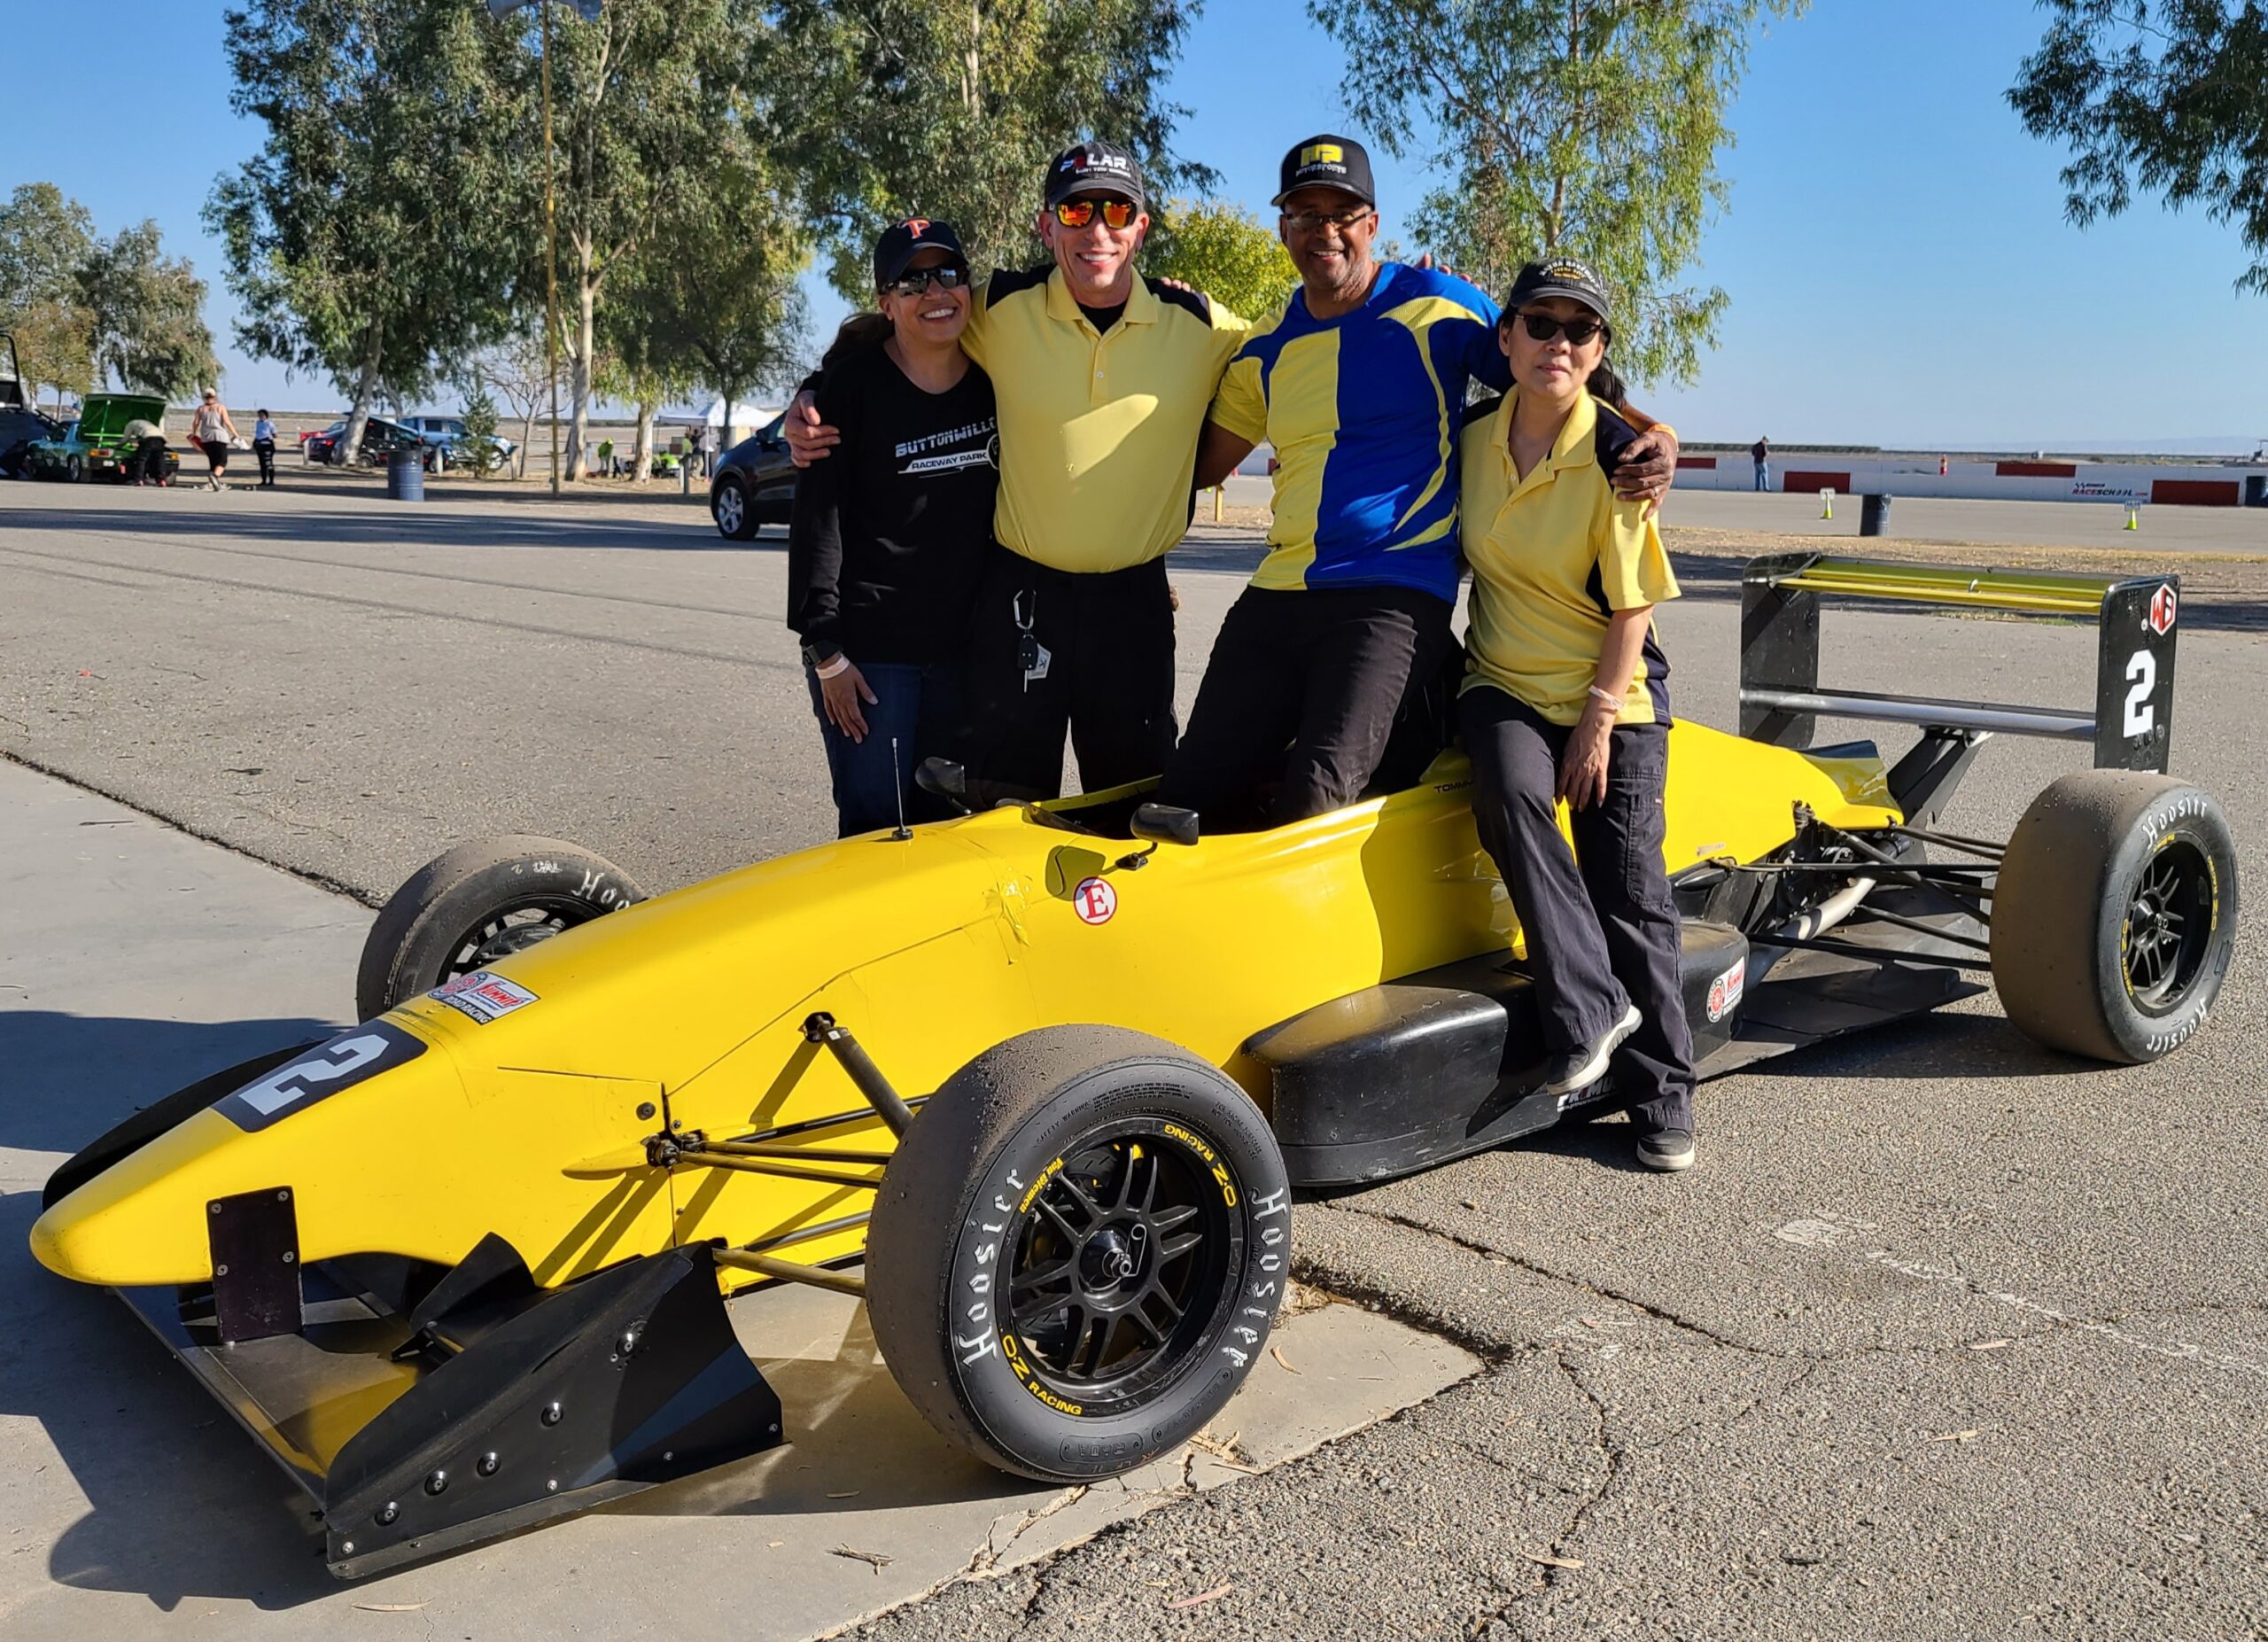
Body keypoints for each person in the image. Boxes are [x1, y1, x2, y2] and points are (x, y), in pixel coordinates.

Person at [1158, 136, 1680, 829]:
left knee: (1313, 801)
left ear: (1372, 223)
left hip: (1392, 596)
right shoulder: (1266, 344)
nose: (1326, 232)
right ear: (1284, 229)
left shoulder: (1437, 305)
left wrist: (1659, 435)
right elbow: (1195, 469)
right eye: (1307, 215)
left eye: (1343, 214)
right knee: (1190, 789)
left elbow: (1558, 368)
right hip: (1280, 590)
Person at [788, 139, 1251, 801]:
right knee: (1003, 804)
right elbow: (909, 325)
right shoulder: (1002, 306)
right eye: (1075, 213)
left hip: (1134, 610)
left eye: (1117, 211)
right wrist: (811, 392)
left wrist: (1418, 290)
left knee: (1132, 803)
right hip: (1020, 603)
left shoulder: (1200, 324)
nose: (1097, 230)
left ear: (1141, 228)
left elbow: (1294, 343)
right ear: (1046, 224)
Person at [1456, 258, 1696, 1173]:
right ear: (1507, 337)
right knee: (1510, 798)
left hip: (1613, 682)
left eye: (1578, 331)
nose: (1557, 342)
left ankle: (1663, 1092)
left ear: (1597, 353)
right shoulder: (1471, 438)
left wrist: (1598, 721)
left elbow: (1633, 609)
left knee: (1628, 884)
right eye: (1540, 324)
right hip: (1504, 678)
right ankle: (1590, 1008)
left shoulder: (1618, 457)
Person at [788, 219, 998, 837]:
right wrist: (826, 652)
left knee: (953, 836)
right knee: (877, 833)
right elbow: (816, 525)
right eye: (913, 281)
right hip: (873, 662)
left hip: (968, 660)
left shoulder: (996, 380)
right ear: (886, 301)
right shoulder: (849, 391)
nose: (936, 293)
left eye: (949, 274)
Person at [191, 390, 237, 491]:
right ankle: (215, 476)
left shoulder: (201, 409)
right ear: (215, 396)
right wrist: (236, 434)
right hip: (220, 436)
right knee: (222, 461)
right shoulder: (220, 407)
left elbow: (196, 423)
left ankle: (213, 483)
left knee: (213, 461)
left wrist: (194, 434)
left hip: (207, 438)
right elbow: (227, 422)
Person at [122, 413, 169, 486]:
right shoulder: (147, 423)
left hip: (149, 439)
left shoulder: (130, 424)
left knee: (141, 460)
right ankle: (162, 480)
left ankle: (139, 480)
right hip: (161, 439)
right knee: (159, 460)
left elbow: (125, 439)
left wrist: (118, 446)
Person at [252, 409, 277, 489]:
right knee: (262, 464)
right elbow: (258, 433)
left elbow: (274, 434)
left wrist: (268, 438)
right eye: (259, 415)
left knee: (268, 463)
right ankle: (263, 480)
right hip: (259, 444)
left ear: (266, 416)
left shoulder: (269, 423)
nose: (260, 417)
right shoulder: (258, 423)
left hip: (268, 445)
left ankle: (271, 481)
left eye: (262, 415)